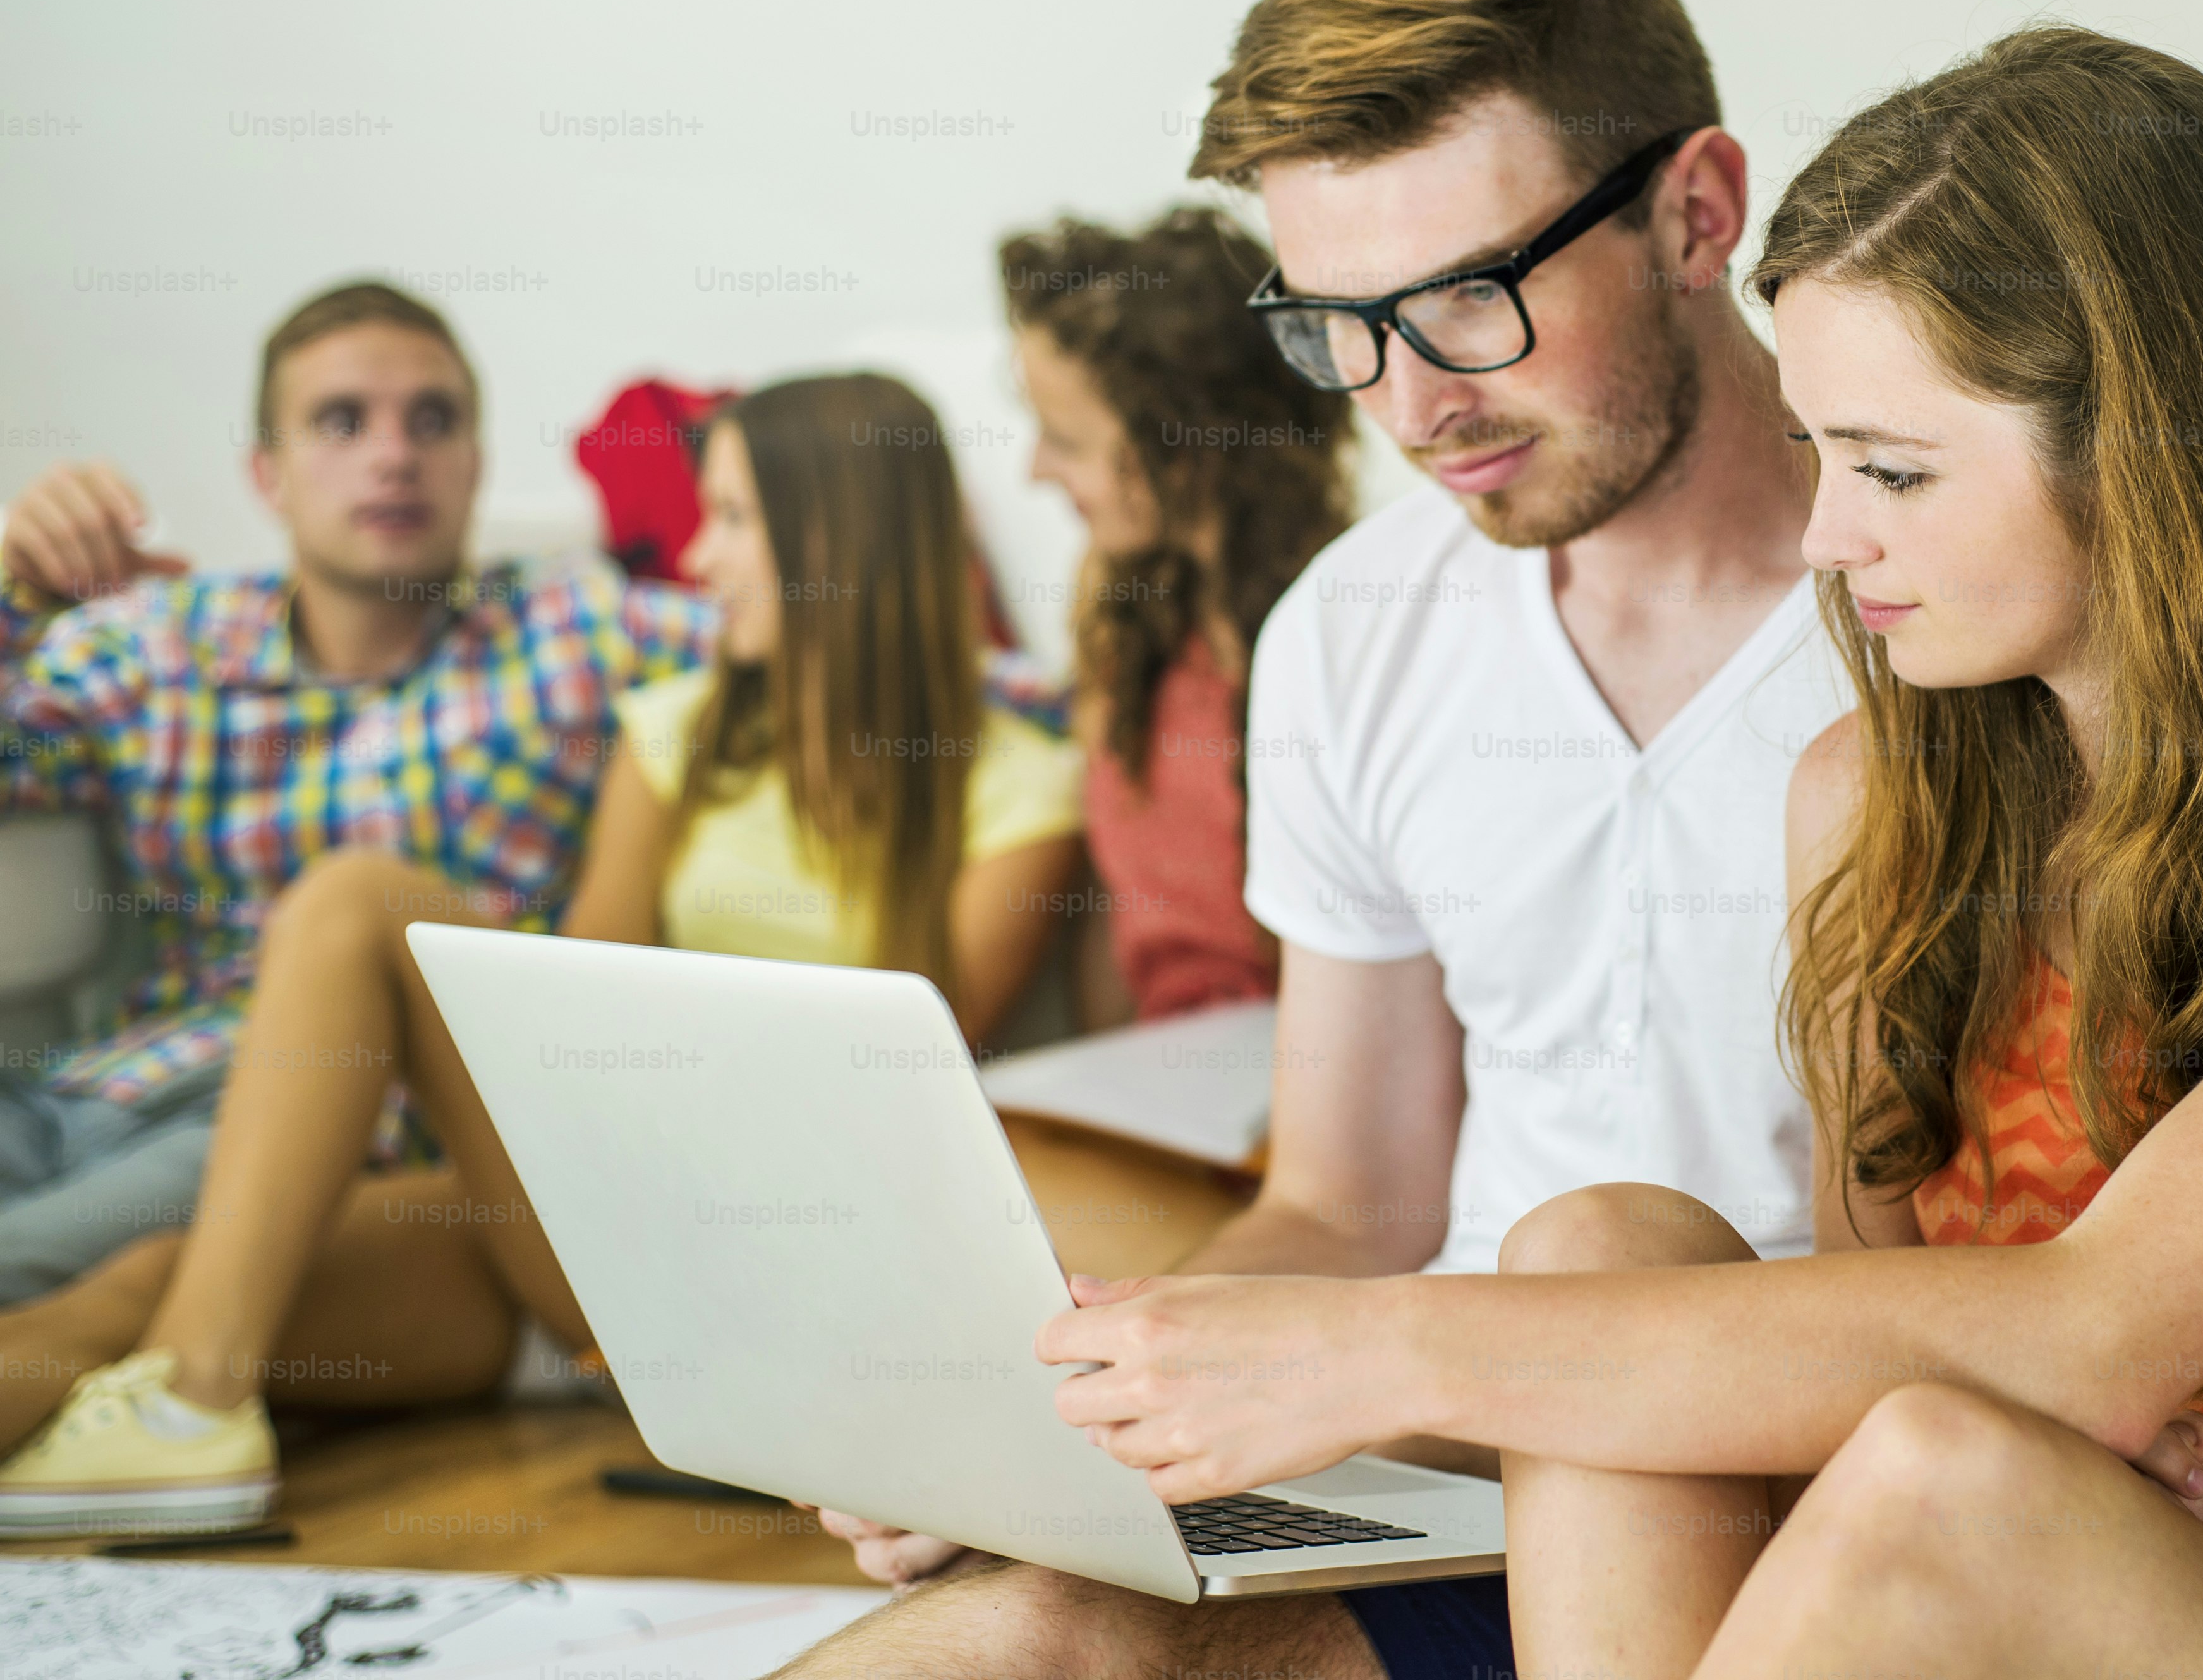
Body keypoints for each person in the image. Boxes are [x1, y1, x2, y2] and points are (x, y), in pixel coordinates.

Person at [1005, 28, 2203, 1676]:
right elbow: (1874, 1356)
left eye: (1894, 467)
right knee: (1602, 1249)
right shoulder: (1868, 804)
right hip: (2011, 1638)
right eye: (1822, 453)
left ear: (2158, 445)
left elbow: (2090, 1342)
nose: (1828, 538)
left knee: (1943, 1489)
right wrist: (1125, 1404)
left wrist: (1371, 1355)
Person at [784, 0, 1901, 1680]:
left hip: (1833, 1485)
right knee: (1010, 1644)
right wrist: (1071, 1415)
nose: (1410, 405)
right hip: (1458, 1477)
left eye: (1469, 301)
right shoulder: (1354, 630)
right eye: (1336, 326)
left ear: (1698, 212)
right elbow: (1349, 1203)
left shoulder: (1941, 611)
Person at [0, 372, 1085, 1537]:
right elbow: (579, 1022)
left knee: (360, 903)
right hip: (584, 1231)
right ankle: (188, 1404)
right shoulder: (678, 731)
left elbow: (909, 1102)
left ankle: (190, 1409)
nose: (700, 562)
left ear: (839, 538)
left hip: (787, 1259)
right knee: (139, 1290)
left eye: (730, 521)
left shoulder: (1021, 791)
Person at [0, 282, 712, 1308]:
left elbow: (855, 659)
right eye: (342, 422)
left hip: (301, 1138)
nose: (395, 455)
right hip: (86, 1087)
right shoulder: (159, 643)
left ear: (476, 461)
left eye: (435, 421)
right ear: (268, 473)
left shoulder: (577, 633)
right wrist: (18, 599)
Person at [998, 209, 1355, 1030]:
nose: (1034, 470)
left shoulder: (1342, 638)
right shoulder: (1117, 604)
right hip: (1152, 1085)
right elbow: (1119, 915)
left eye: (1065, 440)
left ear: (1186, 450)